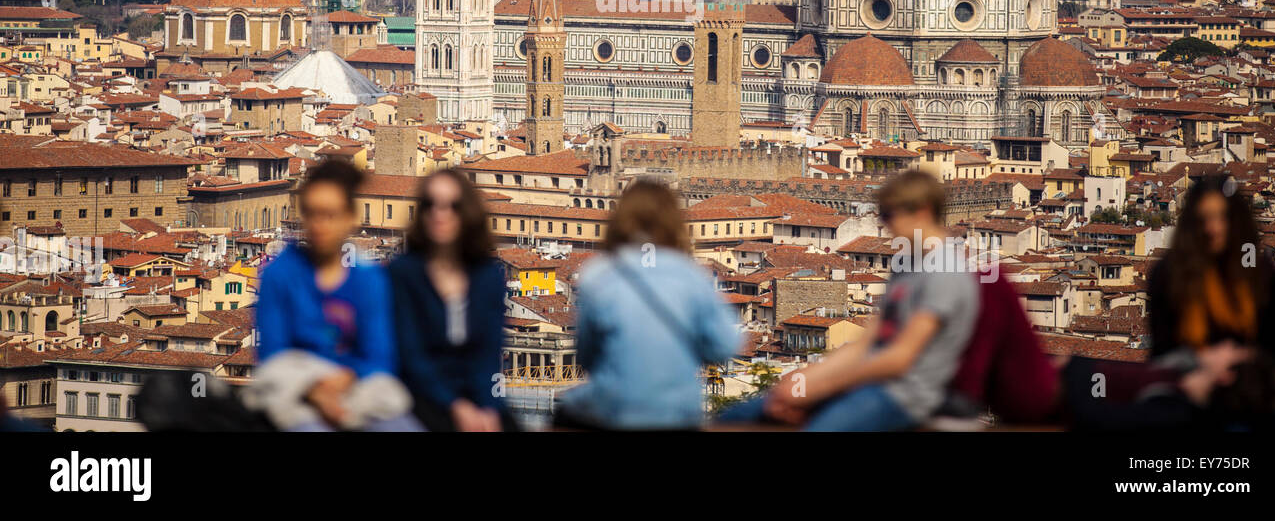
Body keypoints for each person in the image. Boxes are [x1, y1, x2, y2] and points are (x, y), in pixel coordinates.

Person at [720, 170, 977, 431]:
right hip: (866, 386)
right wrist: (797, 384)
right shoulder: (907, 267)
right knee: (736, 418)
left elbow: (901, 357)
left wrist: (820, 388)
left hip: (905, 397)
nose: (884, 225)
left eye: (889, 214)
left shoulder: (945, 273)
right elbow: (865, 343)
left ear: (921, 212)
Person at [556, 179, 741, 430]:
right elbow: (724, 345)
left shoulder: (598, 274)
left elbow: (586, 354)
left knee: (563, 412)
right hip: (678, 414)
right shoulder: (690, 274)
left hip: (614, 411)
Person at [251, 160, 420, 431]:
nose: (319, 224)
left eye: (330, 215)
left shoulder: (368, 278)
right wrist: (316, 392)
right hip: (296, 391)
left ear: (350, 217)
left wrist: (342, 383)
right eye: (312, 214)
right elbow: (273, 353)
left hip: (359, 389)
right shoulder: (279, 275)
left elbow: (380, 355)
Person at [1142, 173, 1275, 428]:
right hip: (1189, 394)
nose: (1214, 228)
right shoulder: (1168, 275)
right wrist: (1202, 363)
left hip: (1250, 397)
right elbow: (1161, 351)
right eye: (1205, 219)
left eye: (1222, 217)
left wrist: (1237, 360)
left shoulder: (1260, 274)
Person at [389, 167, 514, 432]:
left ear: (467, 213)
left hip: (475, 395)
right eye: (430, 204)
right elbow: (411, 356)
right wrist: (457, 407)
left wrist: (488, 407)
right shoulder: (403, 273)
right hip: (418, 395)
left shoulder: (487, 276)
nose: (440, 213)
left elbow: (488, 353)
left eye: (452, 206)